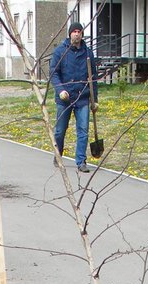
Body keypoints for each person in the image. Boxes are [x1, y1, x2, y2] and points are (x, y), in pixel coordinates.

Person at [49, 21, 98, 174]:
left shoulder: (88, 53)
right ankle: (58, 155)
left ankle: (81, 161)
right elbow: (54, 73)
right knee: (60, 131)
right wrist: (60, 90)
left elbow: (93, 77)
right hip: (65, 99)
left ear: (82, 34)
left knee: (83, 130)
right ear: (70, 34)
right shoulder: (60, 52)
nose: (77, 34)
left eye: (79, 31)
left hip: (82, 98)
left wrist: (94, 99)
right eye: (74, 31)